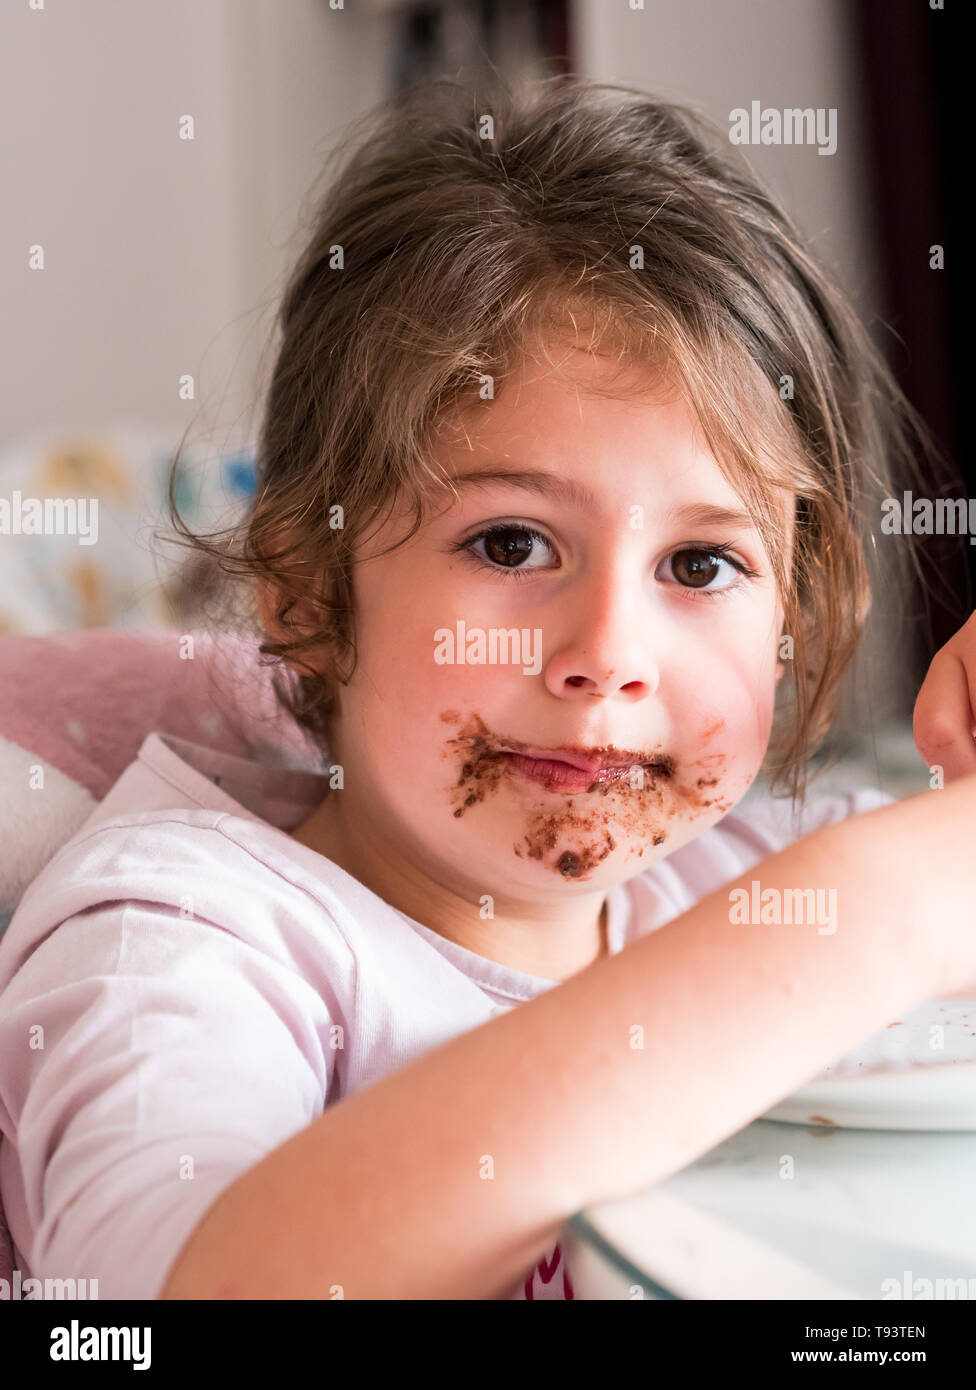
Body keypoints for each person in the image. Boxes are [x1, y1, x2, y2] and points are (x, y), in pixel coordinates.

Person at [1, 76, 974, 1302]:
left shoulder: (744, 877)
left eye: (701, 563)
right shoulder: (188, 936)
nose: (606, 652)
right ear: (306, 591)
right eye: (511, 543)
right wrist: (869, 917)